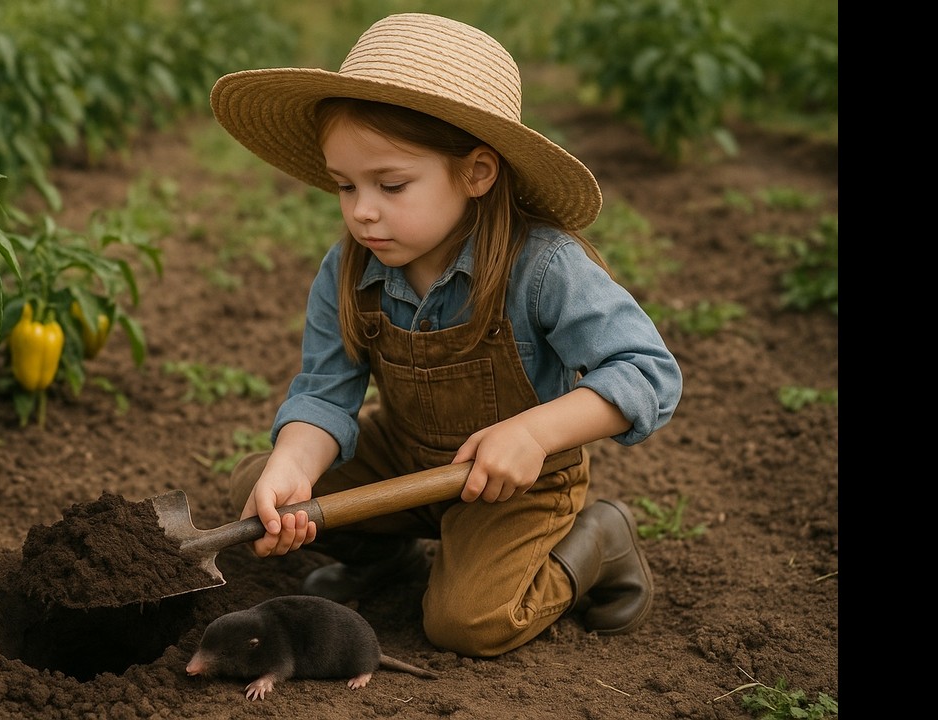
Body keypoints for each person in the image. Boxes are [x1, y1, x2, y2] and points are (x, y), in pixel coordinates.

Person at [209, 13, 682, 657]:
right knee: (260, 487)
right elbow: (326, 393)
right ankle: (390, 555)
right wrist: (295, 461)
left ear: (477, 173)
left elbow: (647, 371)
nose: (361, 210)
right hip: (408, 459)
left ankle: (599, 541)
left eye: (391, 184)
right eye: (345, 186)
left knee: (467, 624)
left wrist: (532, 432)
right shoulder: (349, 270)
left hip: (519, 482)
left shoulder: (541, 267)